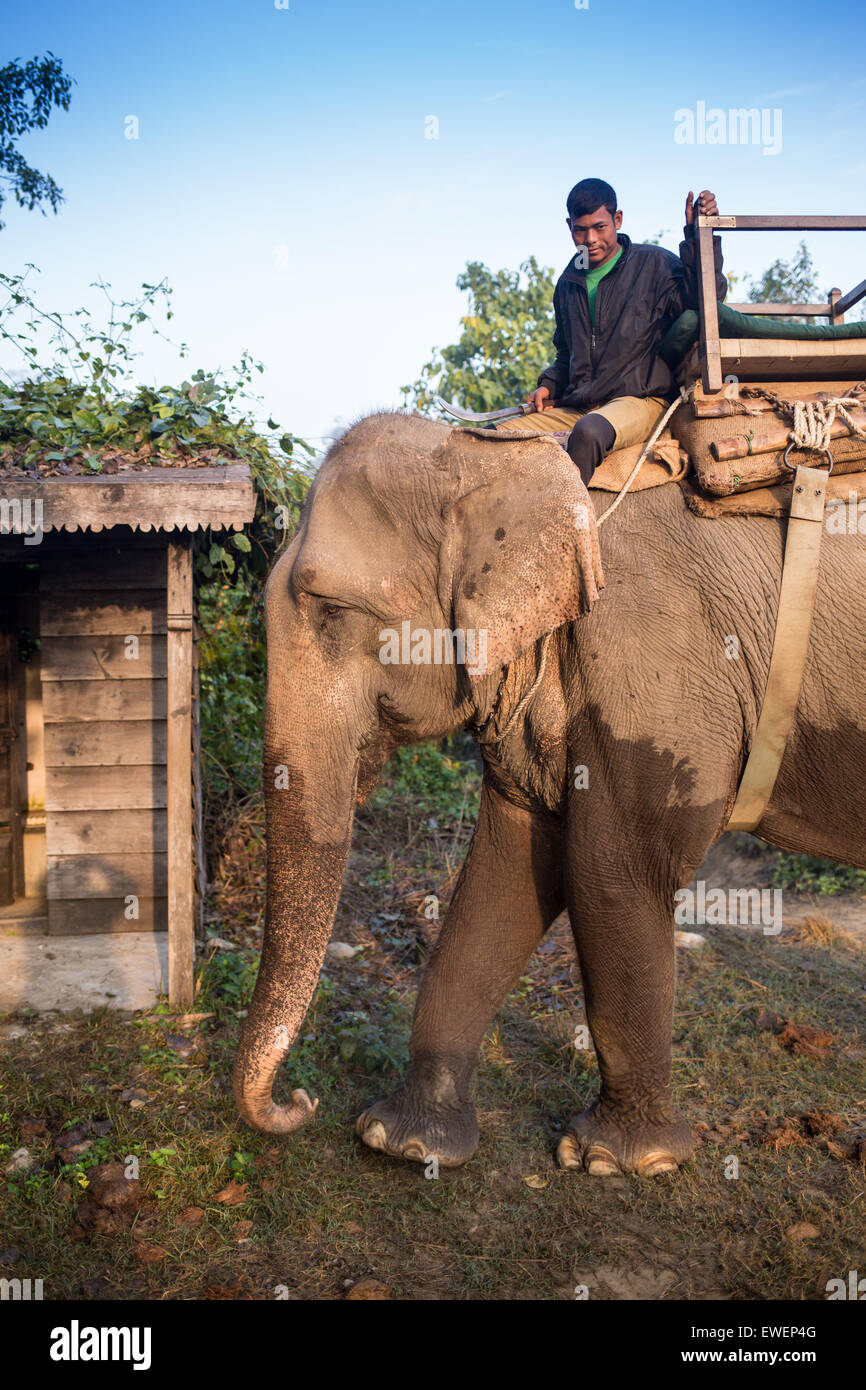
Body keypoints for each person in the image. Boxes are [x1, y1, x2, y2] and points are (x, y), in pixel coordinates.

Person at [493, 177, 727, 485]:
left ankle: (568, 530)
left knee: (588, 433)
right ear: (569, 226)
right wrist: (549, 384)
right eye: (580, 229)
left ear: (617, 220)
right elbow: (567, 354)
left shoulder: (653, 264)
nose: (589, 238)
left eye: (599, 227)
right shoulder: (567, 284)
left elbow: (707, 298)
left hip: (639, 401)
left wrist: (699, 236)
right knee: (488, 439)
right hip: (580, 405)